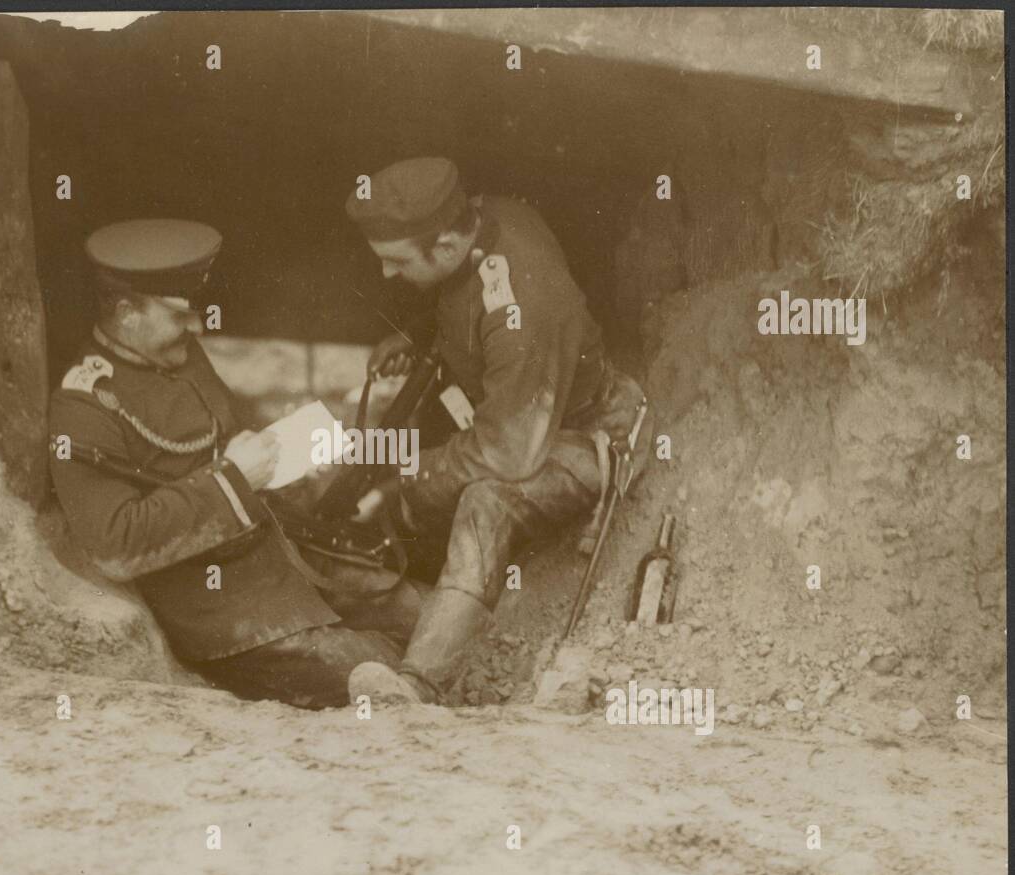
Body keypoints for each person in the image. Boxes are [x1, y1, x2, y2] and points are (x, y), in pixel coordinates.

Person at [48, 219, 420, 709]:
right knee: (370, 670)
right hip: (218, 604)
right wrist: (233, 479)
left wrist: (293, 453)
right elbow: (115, 543)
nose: (195, 325)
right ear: (126, 313)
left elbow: (223, 434)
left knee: (424, 617)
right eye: (178, 314)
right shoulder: (84, 406)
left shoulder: (179, 353)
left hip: (279, 554)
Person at [343, 158, 653, 704]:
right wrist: (420, 338)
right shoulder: (488, 219)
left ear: (443, 247)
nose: (387, 276)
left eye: (396, 262)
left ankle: (418, 685)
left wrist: (408, 484)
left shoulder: (523, 304)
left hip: (587, 439)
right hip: (525, 407)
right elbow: (467, 295)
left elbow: (506, 451)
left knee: (485, 501)